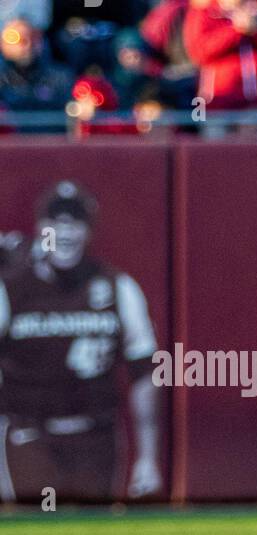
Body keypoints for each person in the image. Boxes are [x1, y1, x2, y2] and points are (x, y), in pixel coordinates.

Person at [0, 182, 161, 504]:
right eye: (56, 222)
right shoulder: (11, 288)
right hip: (29, 437)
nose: (66, 232)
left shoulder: (116, 287)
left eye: (76, 223)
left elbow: (144, 371)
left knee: (96, 533)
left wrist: (148, 457)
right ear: (40, 228)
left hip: (96, 439)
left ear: (89, 231)